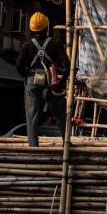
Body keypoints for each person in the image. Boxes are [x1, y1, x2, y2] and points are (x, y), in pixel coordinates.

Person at [15, 12, 69, 147]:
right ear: (47, 26)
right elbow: (68, 66)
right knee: (60, 115)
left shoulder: (27, 45)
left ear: (32, 28)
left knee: (31, 117)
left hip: (32, 85)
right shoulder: (56, 43)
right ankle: (66, 142)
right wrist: (61, 83)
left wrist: (26, 77)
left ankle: (33, 147)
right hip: (51, 84)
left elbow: (18, 66)